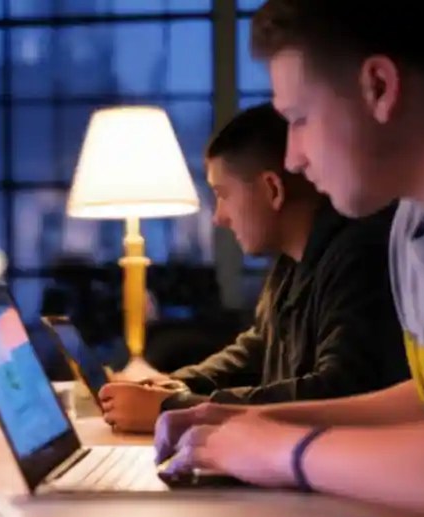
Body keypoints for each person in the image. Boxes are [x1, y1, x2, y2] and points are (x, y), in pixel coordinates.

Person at [156, 0, 424, 517]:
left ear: (379, 87)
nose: (292, 158)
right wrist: (243, 423)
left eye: (298, 120)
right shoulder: (413, 215)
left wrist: (280, 452)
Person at [99, 103, 407, 433]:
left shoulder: (359, 257)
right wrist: (175, 385)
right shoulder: (291, 260)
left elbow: (336, 391)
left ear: (272, 189)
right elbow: (258, 348)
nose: (219, 217)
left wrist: (174, 409)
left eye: (223, 194)